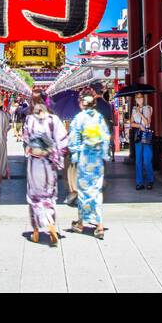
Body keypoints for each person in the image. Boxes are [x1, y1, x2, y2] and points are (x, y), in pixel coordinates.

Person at [23, 91, 66, 246]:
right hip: (48, 164)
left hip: (34, 164)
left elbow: (26, 140)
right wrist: (55, 153)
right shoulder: (53, 120)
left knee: (34, 197)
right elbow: (63, 142)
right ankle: (50, 225)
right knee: (49, 197)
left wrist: (32, 149)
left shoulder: (29, 120)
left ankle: (35, 231)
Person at [68, 90, 112, 238]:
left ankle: (81, 223)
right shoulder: (99, 118)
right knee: (96, 190)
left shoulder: (78, 119)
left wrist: (74, 154)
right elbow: (106, 136)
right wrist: (105, 154)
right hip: (97, 159)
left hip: (84, 158)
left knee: (84, 190)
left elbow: (73, 138)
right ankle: (99, 225)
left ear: (82, 104)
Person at [129, 92, 155, 190]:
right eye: (137, 98)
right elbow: (131, 123)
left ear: (143, 99)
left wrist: (140, 113)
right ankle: (139, 182)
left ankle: (150, 180)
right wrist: (139, 125)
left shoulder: (148, 108)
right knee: (138, 160)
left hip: (146, 136)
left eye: (140, 98)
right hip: (138, 136)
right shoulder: (133, 109)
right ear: (135, 99)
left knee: (147, 160)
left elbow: (147, 123)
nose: (139, 99)